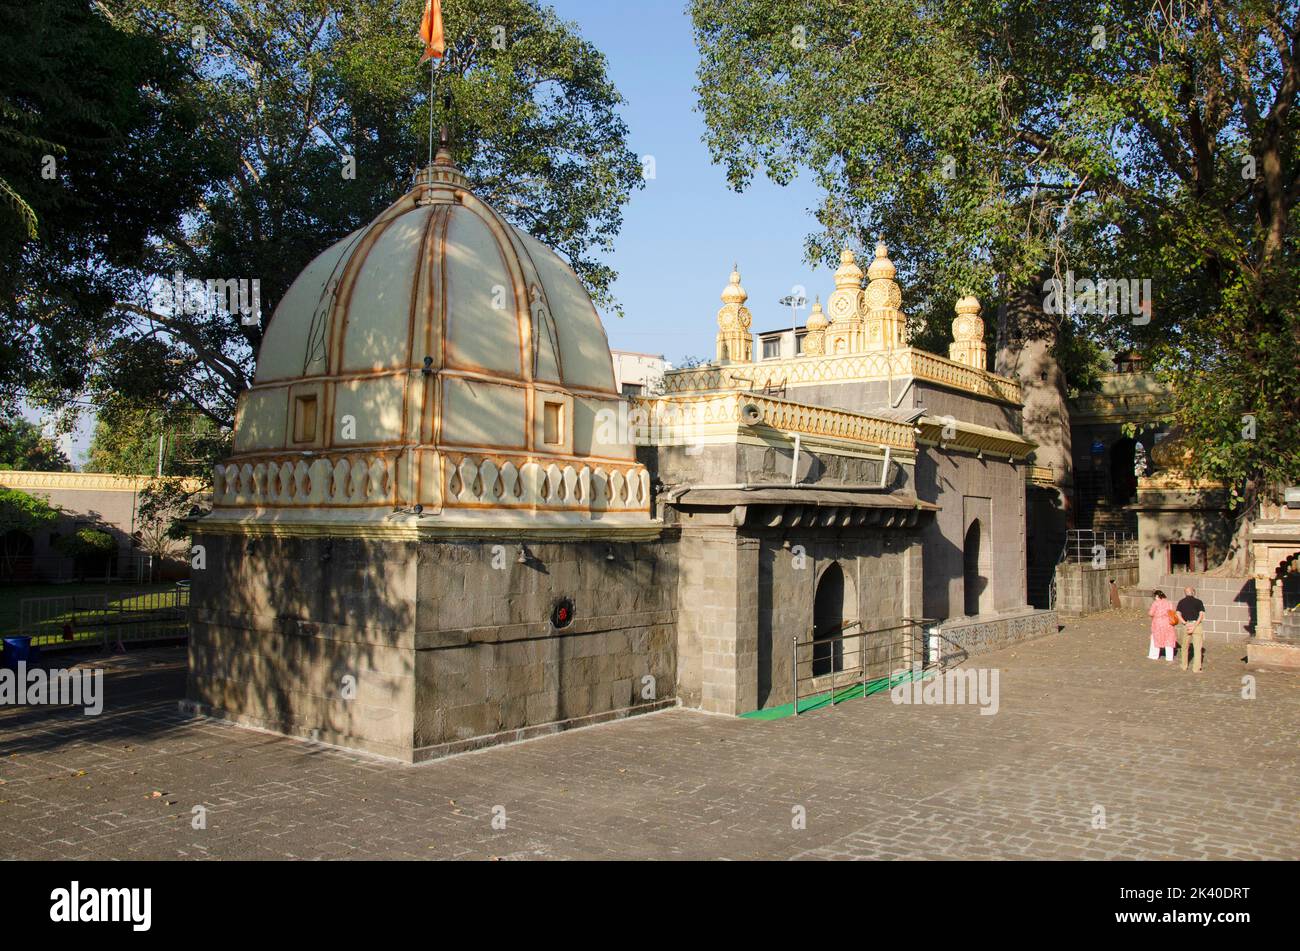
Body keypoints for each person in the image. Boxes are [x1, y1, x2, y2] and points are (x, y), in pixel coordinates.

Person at [1176, 586, 1206, 672]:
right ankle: (1196, 668)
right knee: (1197, 648)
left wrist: (1185, 623)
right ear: (1193, 592)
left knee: (1184, 647)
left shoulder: (1181, 602)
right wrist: (1195, 624)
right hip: (1196, 626)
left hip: (1186, 625)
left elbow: (1178, 614)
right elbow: (1201, 615)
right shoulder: (1198, 602)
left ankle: (1184, 666)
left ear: (1185, 593)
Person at [1147, 590, 1177, 661]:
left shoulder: (1156, 603)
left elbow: (1151, 613)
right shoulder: (1169, 603)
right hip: (1168, 623)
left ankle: (1154, 655)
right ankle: (1169, 657)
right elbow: (1173, 611)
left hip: (1158, 623)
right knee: (1169, 639)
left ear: (1157, 596)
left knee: (1155, 638)